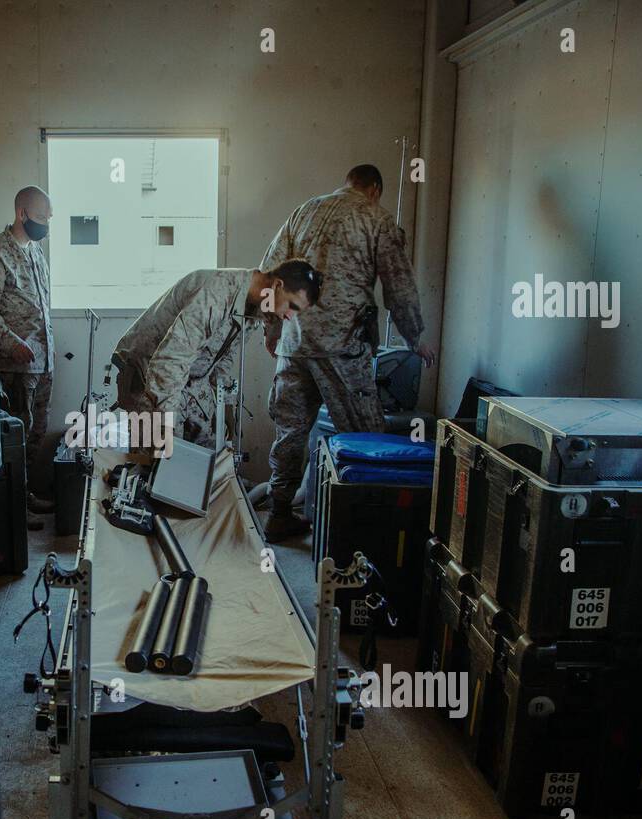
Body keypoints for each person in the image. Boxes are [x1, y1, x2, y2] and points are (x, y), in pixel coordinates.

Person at [259, 164, 436, 542]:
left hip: (296, 343)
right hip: (343, 346)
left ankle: (277, 514)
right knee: (366, 436)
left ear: (349, 183)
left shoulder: (304, 211)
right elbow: (398, 284)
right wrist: (414, 337)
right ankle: (370, 528)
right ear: (375, 189)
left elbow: (268, 273)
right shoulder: (377, 218)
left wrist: (273, 330)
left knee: (289, 432)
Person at [110, 260, 321, 448]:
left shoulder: (255, 308)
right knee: (160, 467)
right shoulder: (217, 293)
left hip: (187, 380)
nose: (290, 317)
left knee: (208, 451)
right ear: (276, 285)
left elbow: (221, 360)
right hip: (147, 375)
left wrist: (225, 406)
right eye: (292, 306)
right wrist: (166, 427)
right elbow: (170, 361)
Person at [0, 185, 55, 527]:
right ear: (21, 214)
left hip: (41, 360)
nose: (45, 224)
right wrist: (11, 343)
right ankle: (12, 509)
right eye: (41, 217)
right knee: (13, 436)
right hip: (14, 364)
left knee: (35, 431)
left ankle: (25, 495)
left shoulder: (34, 251)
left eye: (49, 218)